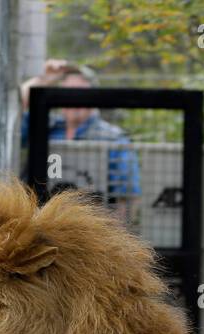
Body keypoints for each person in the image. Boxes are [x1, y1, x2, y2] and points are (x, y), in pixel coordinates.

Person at [20, 60, 140, 218]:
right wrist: (44, 79)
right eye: (67, 92)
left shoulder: (114, 139)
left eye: (80, 92)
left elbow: (127, 197)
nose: (73, 99)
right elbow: (16, 106)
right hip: (40, 224)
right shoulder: (44, 126)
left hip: (91, 229)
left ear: (93, 97)